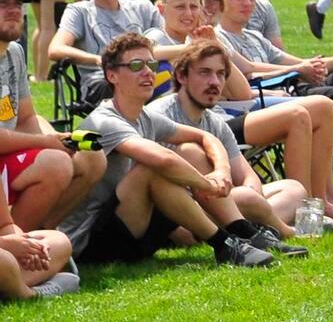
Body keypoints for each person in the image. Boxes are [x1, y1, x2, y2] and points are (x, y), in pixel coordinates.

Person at [56, 35, 276, 269]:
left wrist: (222, 172)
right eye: (136, 66)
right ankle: (224, 244)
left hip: (134, 227)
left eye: (151, 65)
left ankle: (243, 232)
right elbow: (162, 160)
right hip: (92, 241)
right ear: (112, 76)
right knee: (151, 170)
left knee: (190, 150)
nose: (148, 72)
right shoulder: (105, 120)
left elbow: (204, 136)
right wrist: (207, 185)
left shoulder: (145, 116)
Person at [211, 0, 333, 222]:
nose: (247, 3)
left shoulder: (254, 37)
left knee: (330, 109)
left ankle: (329, 198)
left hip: (276, 93)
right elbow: (249, 73)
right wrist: (293, 72)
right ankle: (322, 202)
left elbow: (300, 63)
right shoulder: (217, 37)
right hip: (248, 104)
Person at [148, 40, 309, 257]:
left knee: (294, 189)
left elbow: (246, 175)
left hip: (221, 201)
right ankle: (275, 229)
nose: (214, 81)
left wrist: (252, 196)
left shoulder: (214, 122)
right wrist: (250, 201)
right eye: (204, 73)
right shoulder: (160, 116)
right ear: (182, 76)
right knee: (191, 151)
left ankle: (251, 225)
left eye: (221, 74)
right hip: (180, 214)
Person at [0, 0, 103, 231]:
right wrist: (47, 143)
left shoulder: (14, 51)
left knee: (92, 157)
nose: (15, 10)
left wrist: (58, 139)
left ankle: (41, 231)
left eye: (18, 3)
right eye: (4, 3)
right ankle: (13, 248)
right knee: (56, 163)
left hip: (9, 153)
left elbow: (26, 117)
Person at [51, 0, 162, 85]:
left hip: (146, 77)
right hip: (103, 81)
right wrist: (98, 60)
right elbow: (55, 49)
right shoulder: (80, 12)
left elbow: (170, 42)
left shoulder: (143, 8)